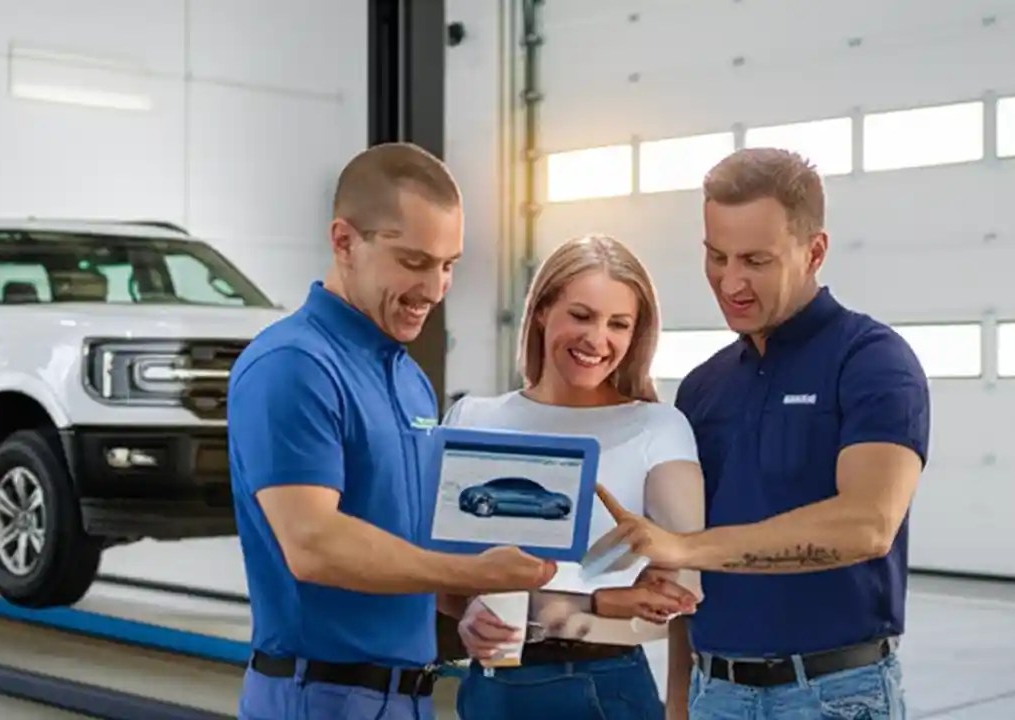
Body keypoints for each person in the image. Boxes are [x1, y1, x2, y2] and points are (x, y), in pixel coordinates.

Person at [592, 147, 930, 719]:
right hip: (714, 692)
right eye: (716, 256)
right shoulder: (702, 388)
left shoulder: (872, 360)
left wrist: (687, 546)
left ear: (814, 251)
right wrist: (680, 704)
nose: (730, 282)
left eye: (755, 260)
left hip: (833, 695)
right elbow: (686, 579)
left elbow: (869, 523)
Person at [227, 141, 558, 720]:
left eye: (449, 264)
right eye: (413, 261)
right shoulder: (293, 366)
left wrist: (460, 604)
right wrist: (471, 572)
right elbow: (314, 544)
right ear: (344, 242)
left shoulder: (408, 380)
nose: (434, 289)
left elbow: (401, 542)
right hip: (316, 700)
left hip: (409, 700)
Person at [437, 234, 707, 720]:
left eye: (618, 324)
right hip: (492, 687)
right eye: (581, 316)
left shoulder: (658, 428)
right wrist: (469, 614)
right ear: (541, 310)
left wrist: (543, 611)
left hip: (605, 687)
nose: (597, 340)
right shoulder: (473, 418)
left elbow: (680, 597)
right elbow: (435, 571)